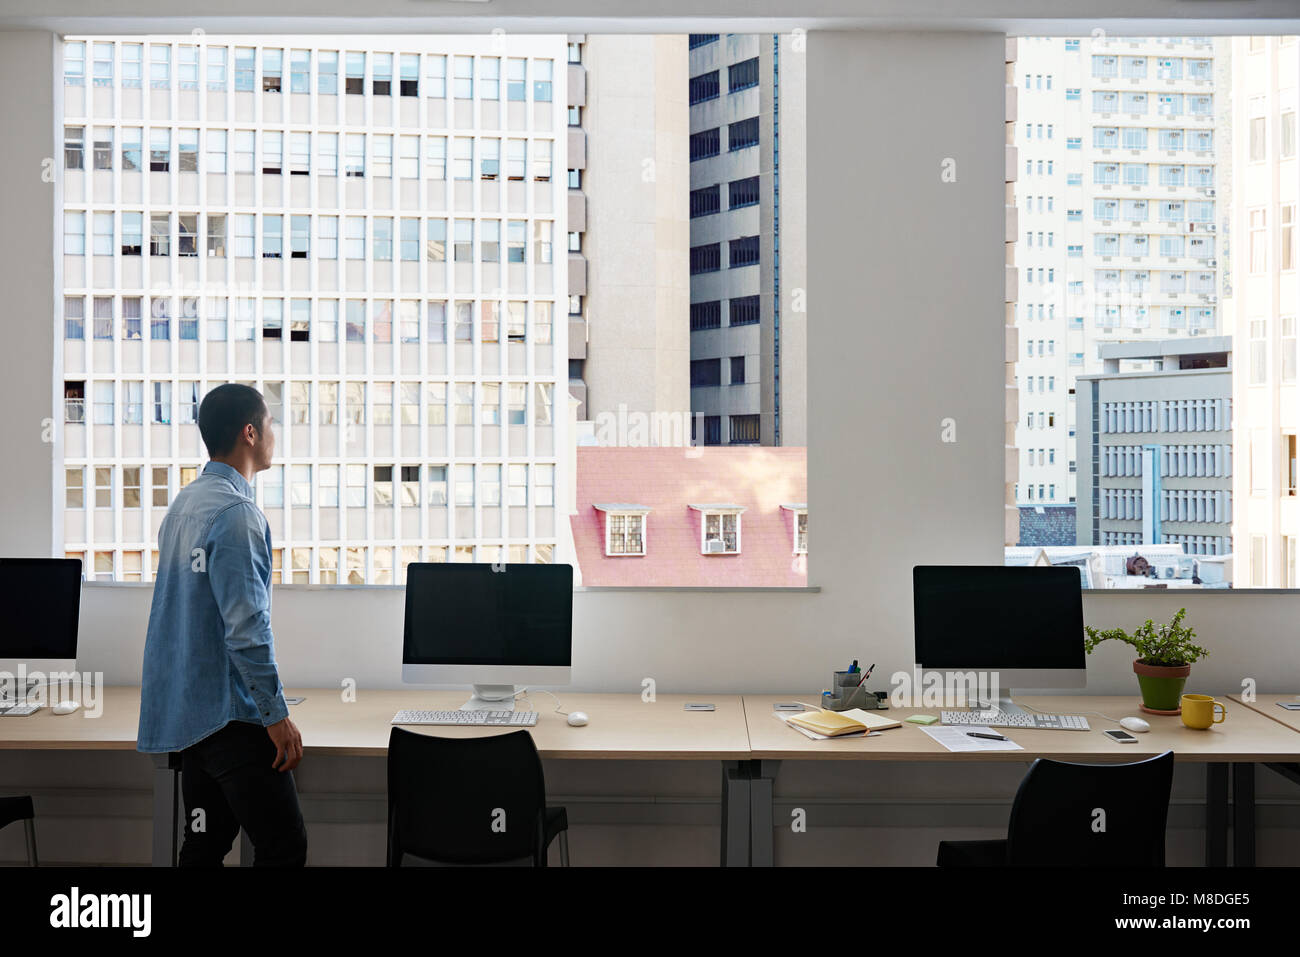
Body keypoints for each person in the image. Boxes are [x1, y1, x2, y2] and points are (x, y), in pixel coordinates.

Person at [137, 383, 307, 867]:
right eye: (271, 423)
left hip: (194, 717)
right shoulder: (237, 515)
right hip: (232, 718)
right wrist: (276, 716)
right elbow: (247, 629)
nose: (275, 433)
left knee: (205, 844)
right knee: (284, 845)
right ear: (250, 432)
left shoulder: (185, 505)